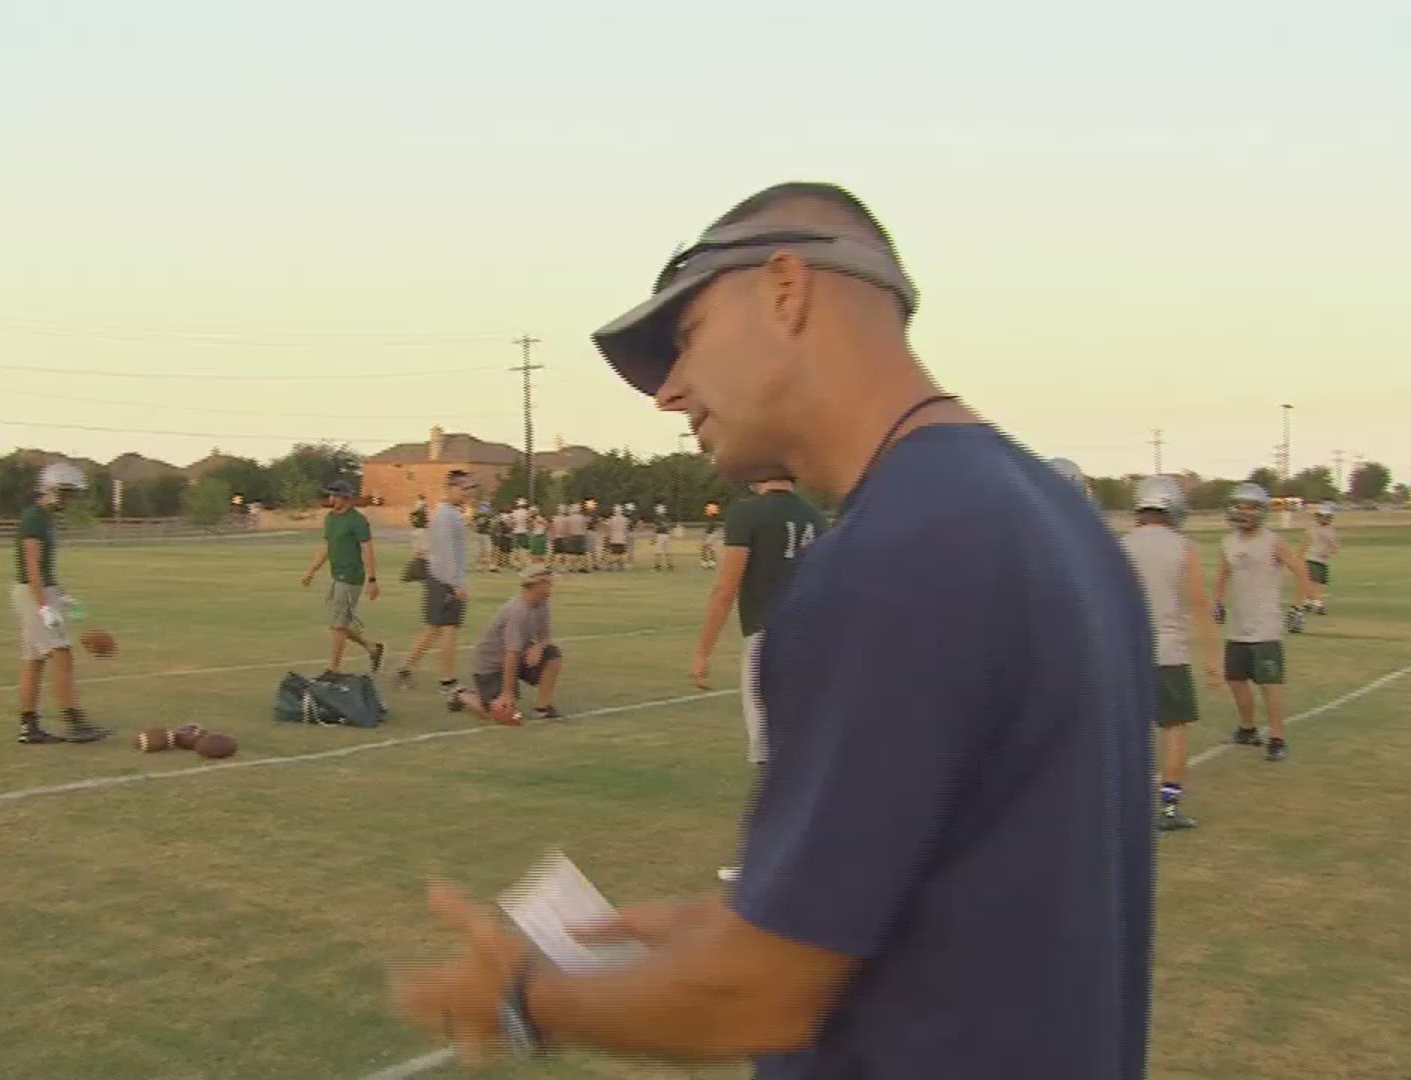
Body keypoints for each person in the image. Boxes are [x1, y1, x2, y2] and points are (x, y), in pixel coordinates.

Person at [395, 181, 1154, 1079]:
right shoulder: (1057, 522)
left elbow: (755, 997)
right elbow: (968, 886)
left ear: (787, 289)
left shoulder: (893, 556)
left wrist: (526, 996)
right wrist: (722, 925)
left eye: (686, 339)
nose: (669, 393)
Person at [692, 476, 827, 880]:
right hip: (815, 637)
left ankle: (766, 858)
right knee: (802, 747)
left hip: (770, 640)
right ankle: (807, 851)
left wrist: (702, 651)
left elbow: (725, 587)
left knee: (769, 753)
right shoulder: (815, 516)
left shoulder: (748, 513)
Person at [1120, 475, 1223, 830]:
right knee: (1174, 729)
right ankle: (1168, 808)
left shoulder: (1121, 545)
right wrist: (1213, 657)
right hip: (1169, 653)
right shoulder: (1183, 547)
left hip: (1128, 653)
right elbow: (1198, 603)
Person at [9, 463, 111, 745]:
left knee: (34, 661)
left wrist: (63, 597)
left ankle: (28, 727)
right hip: (33, 594)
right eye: (66, 493)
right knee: (62, 654)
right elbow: (32, 568)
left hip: (42, 592)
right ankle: (75, 722)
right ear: (51, 489)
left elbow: (44, 570)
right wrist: (45, 607)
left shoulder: (44, 518)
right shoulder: (34, 519)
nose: (69, 499)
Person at [1215, 482, 1314, 762]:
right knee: (1236, 680)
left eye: (1251, 506)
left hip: (1266, 626)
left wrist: (1299, 606)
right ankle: (1247, 729)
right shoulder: (1227, 542)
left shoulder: (1273, 541)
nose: (1244, 512)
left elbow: (1299, 569)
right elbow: (1223, 574)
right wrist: (1218, 602)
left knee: (1269, 684)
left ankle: (1277, 738)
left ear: (1261, 511)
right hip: (1238, 625)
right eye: (1240, 505)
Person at [452, 563, 568, 723]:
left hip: (517, 656)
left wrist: (539, 646)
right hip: (491, 665)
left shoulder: (542, 603)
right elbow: (510, 654)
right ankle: (461, 696)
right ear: (537, 585)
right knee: (507, 716)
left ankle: (543, 708)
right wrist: (507, 693)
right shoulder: (518, 610)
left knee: (552, 654)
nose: (552, 586)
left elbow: (545, 636)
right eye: (548, 582)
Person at [397, 470, 474, 701]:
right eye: (464, 488)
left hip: (443, 578)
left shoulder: (452, 514)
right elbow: (445, 553)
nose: (468, 493)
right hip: (443, 579)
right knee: (447, 629)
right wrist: (455, 584)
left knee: (434, 629)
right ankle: (447, 680)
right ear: (450, 488)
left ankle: (405, 670)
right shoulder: (445, 515)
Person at [300, 479, 384, 675]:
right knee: (339, 623)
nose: (331, 499)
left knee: (338, 626)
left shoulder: (357, 521)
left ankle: (333, 669)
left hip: (351, 577)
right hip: (336, 576)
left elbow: (368, 550)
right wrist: (311, 570)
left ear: (346, 498)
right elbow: (327, 547)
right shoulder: (330, 518)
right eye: (330, 495)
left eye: (335, 495)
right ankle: (372, 648)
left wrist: (372, 580)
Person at [1300, 502, 1339, 614]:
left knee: (1317, 582)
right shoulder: (1317, 529)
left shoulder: (1326, 530)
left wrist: (1332, 549)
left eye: (1327, 517)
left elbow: (1334, 546)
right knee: (1316, 583)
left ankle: (1307, 602)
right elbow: (1306, 542)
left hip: (1321, 561)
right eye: (1321, 516)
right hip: (1313, 559)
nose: (1324, 519)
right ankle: (1318, 605)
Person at [604, 503, 631, 570]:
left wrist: (608, 536)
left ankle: (610, 565)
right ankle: (620, 566)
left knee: (613, 553)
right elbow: (626, 530)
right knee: (620, 553)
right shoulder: (625, 520)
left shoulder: (612, 519)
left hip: (613, 538)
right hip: (621, 538)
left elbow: (608, 527)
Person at [651, 502, 675, 571]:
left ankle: (657, 567)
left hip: (660, 535)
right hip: (667, 535)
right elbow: (669, 528)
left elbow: (655, 529)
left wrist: (653, 538)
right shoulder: (667, 519)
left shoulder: (657, 519)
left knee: (658, 552)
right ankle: (670, 566)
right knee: (667, 552)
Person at [699, 501, 722, 569]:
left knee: (704, 547)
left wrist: (705, 535)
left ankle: (704, 563)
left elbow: (709, 529)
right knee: (711, 548)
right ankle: (712, 563)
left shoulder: (711, 520)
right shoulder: (714, 519)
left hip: (710, 535)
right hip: (714, 535)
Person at [408, 494, 431, 559]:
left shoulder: (416, 510)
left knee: (416, 548)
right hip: (422, 530)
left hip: (416, 529)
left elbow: (411, 516)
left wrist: (413, 522)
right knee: (424, 549)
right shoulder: (423, 508)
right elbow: (427, 519)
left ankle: (416, 560)